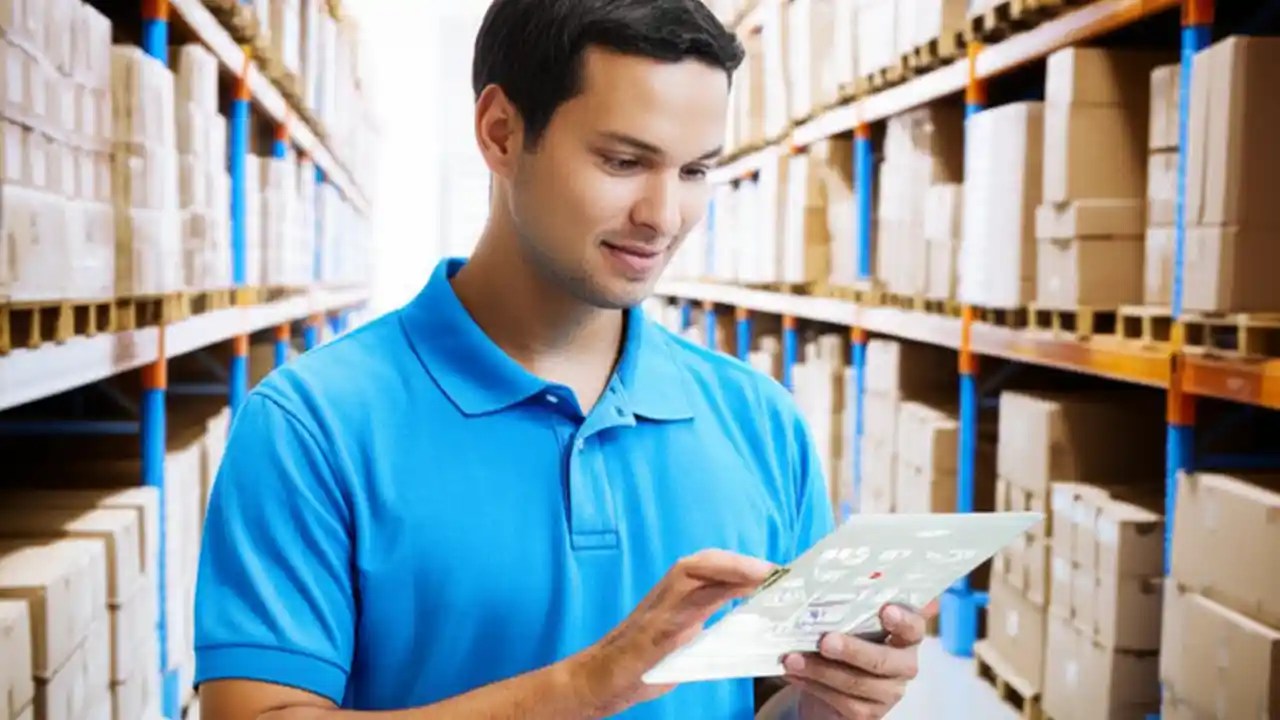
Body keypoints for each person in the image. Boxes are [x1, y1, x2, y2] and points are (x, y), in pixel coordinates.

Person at [194, 1, 932, 718]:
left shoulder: (758, 419)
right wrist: (585, 689)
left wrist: (830, 702)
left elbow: (767, 701)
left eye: (695, 172)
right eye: (623, 161)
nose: (664, 216)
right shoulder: (312, 425)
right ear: (501, 132)